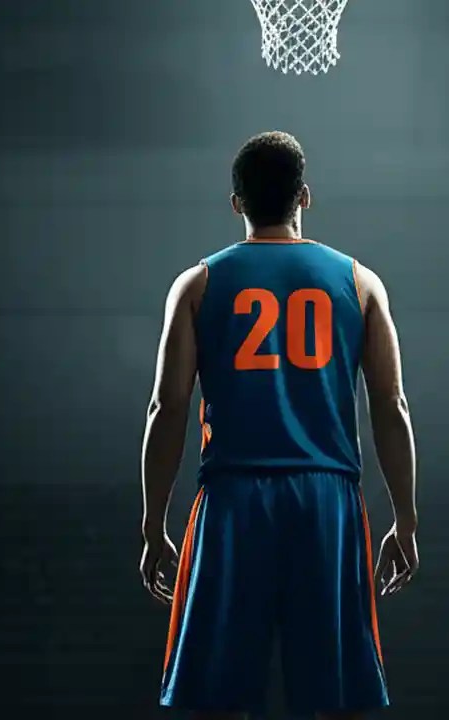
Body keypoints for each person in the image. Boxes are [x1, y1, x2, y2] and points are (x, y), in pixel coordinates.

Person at [138, 130, 420, 720]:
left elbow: (167, 408)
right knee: (329, 695)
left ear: (236, 202)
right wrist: (406, 519)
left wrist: (152, 523)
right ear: (305, 197)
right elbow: (390, 406)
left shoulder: (197, 285)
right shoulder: (360, 282)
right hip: (326, 498)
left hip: (235, 496)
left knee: (217, 695)